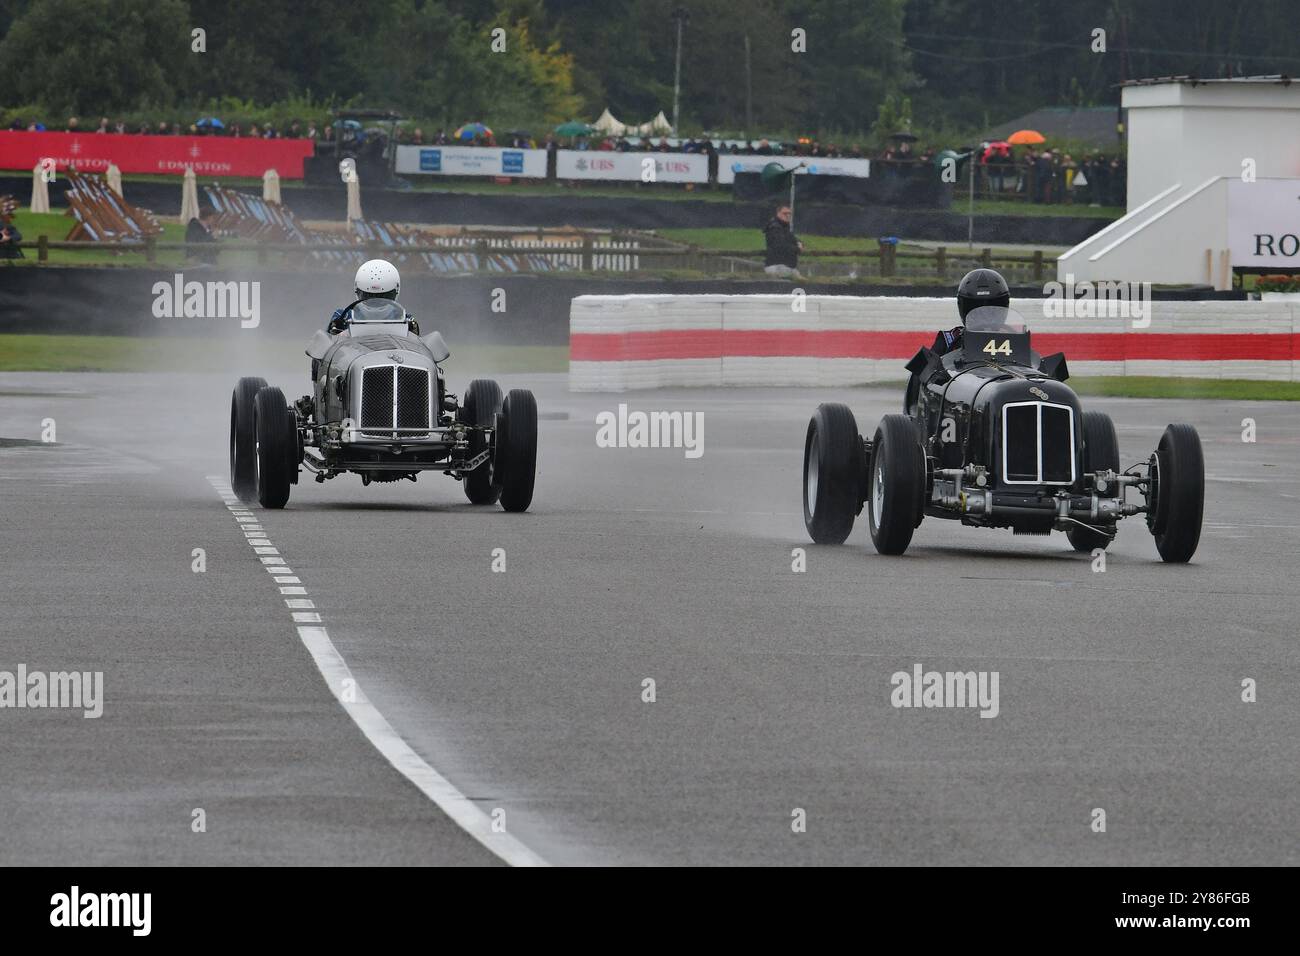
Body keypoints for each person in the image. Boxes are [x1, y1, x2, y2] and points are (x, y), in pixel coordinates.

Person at [327, 259, 418, 335]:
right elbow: (327, 345)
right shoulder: (342, 317)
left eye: (383, 296)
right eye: (369, 296)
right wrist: (337, 332)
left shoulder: (405, 319)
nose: (376, 302)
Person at [932, 268, 1011, 356]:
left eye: (991, 310)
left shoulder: (1014, 340)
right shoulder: (949, 339)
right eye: (977, 310)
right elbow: (926, 368)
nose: (984, 316)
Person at [763, 204, 802, 278]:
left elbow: (794, 239)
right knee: (800, 281)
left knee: (801, 280)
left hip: (783, 267)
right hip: (776, 266)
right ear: (778, 213)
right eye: (785, 213)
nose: (787, 215)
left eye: (789, 214)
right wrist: (798, 249)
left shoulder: (783, 228)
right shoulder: (774, 228)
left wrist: (799, 243)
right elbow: (781, 245)